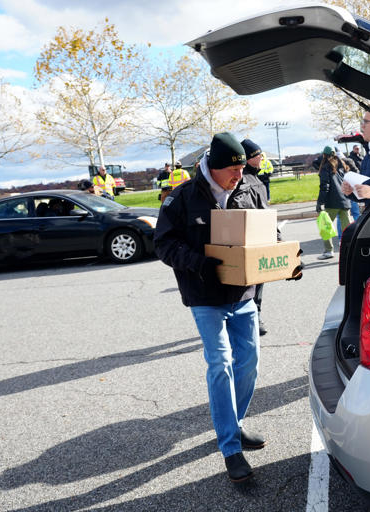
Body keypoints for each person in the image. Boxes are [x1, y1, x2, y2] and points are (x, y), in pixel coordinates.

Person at [154, 132, 266, 484]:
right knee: (221, 365)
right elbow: (164, 244)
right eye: (233, 169)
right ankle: (231, 448)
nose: (240, 174)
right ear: (213, 168)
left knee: (249, 363)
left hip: (244, 295)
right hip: (205, 298)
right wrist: (198, 261)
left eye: (241, 167)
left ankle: (236, 423)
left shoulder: (251, 187)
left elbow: (266, 233)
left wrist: (283, 260)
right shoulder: (182, 198)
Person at [238, 139, 280, 336]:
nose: (261, 158)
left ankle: (254, 315)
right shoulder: (244, 181)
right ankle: (251, 317)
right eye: (257, 155)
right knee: (250, 284)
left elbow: (267, 213)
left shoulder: (256, 179)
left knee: (258, 282)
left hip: (259, 240)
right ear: (247, 159)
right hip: (250, 240)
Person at [316, 146, 352, 260]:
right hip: (345, 200)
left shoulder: (325, 168)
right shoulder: (342, 166)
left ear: (324, 155)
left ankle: (328, 251)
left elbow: (324, 186)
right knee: (348, 228)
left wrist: (320, 202)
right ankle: (350, 250)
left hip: (332, 202)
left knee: (325, 226)